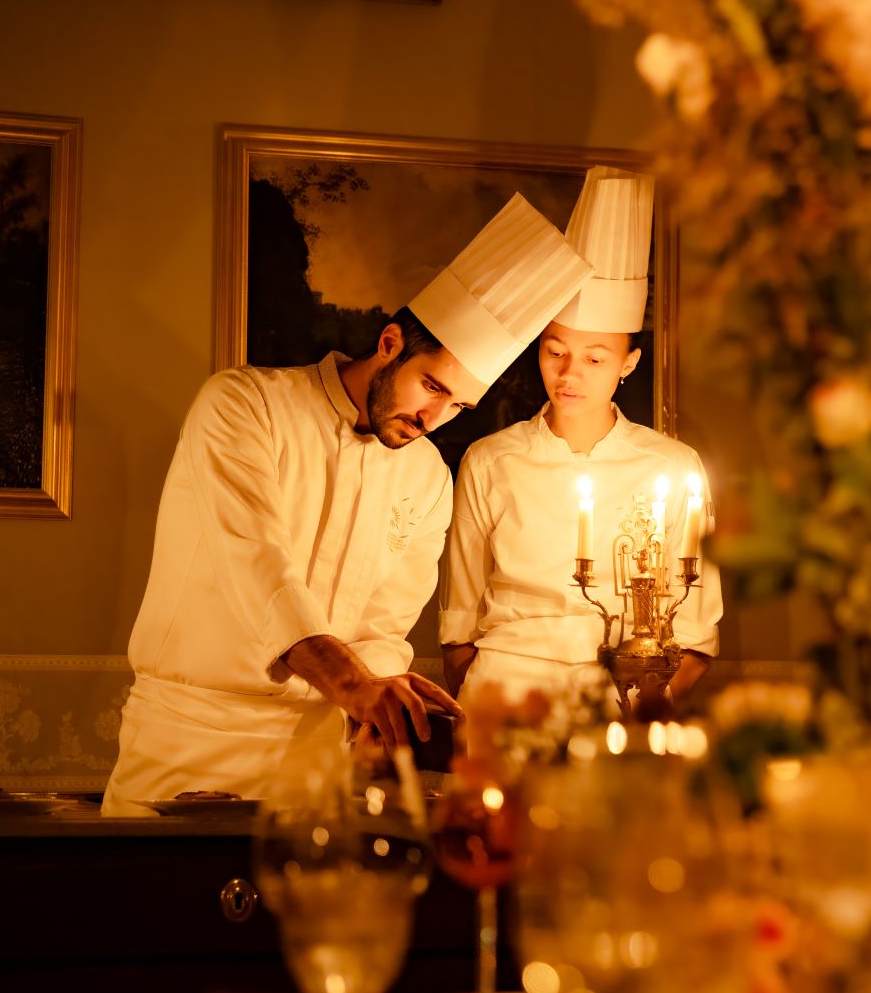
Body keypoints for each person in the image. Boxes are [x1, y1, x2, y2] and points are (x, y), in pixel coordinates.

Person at [102, 195, 592, 814]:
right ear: (389, 342)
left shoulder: (428, 476)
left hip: (316, 765)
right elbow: (254, 563)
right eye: (432, 386)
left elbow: (383, 628)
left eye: (458, 407)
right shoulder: (244, 405)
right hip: (188, 740)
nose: (434, 417)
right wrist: (355, 684)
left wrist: (379, 701)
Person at [440, 168, 720, 718]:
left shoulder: (672, 467)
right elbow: (458, 623)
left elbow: (696, 636)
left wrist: (639, 712)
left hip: (621, 700)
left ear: (628, 363)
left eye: (594, 358)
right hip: (502, 695)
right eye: (555, 352)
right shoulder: (491, 460)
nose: (569, 373)